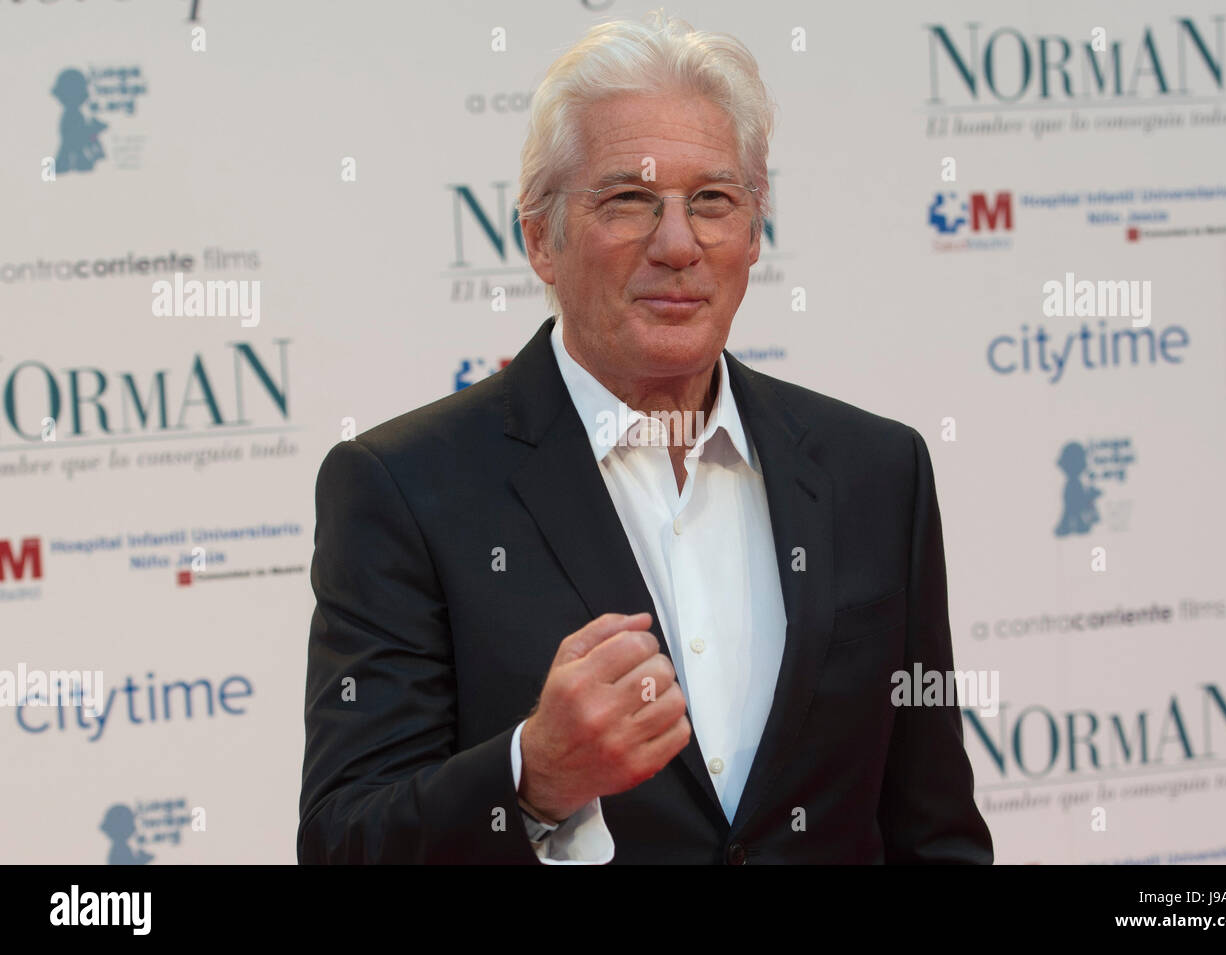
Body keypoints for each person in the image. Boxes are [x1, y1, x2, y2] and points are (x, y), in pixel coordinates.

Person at [298, 11, 993, 865]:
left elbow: (933, 830)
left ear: (752, 230)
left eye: (712, 200)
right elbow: (343, 841)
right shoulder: (403, 488)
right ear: (539, 238)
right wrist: (532, 778)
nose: (677, 244)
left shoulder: (876, 470)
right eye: (628, 199)